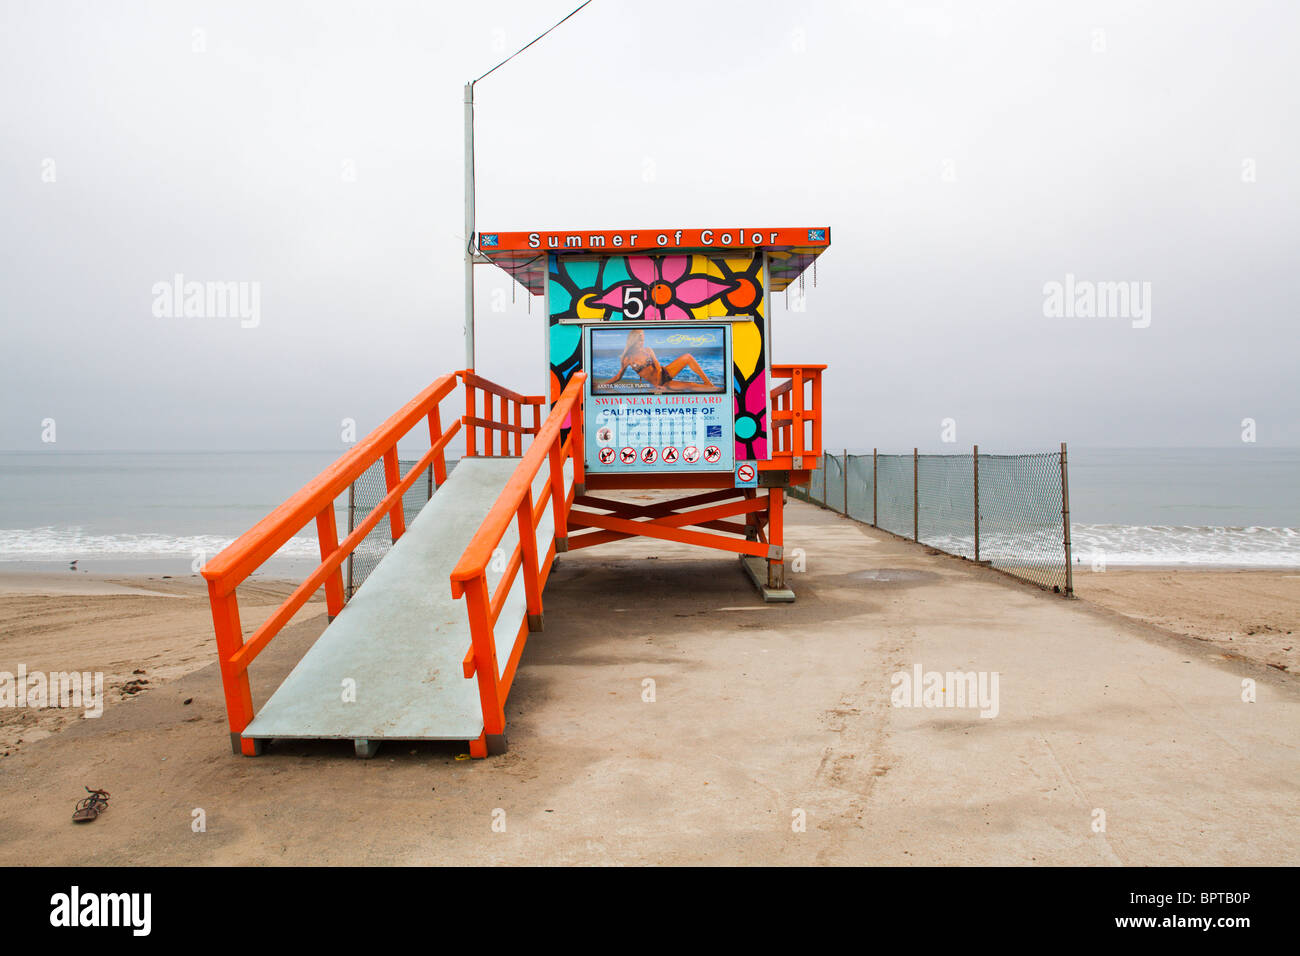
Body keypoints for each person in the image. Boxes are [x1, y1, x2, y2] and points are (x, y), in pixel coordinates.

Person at [600, 328, 717, 391]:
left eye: (643, 339)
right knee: (691, 385)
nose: (642, 342)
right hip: (662, 382)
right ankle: (714, 388)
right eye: (640, 340)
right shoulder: (627, 358)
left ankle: (708, 382)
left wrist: (658, 384)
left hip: (663, 374)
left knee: (688, 357)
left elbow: (657, 366)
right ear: (633, 340)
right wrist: (603, 385)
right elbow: (618, 377)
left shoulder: (647, 350)